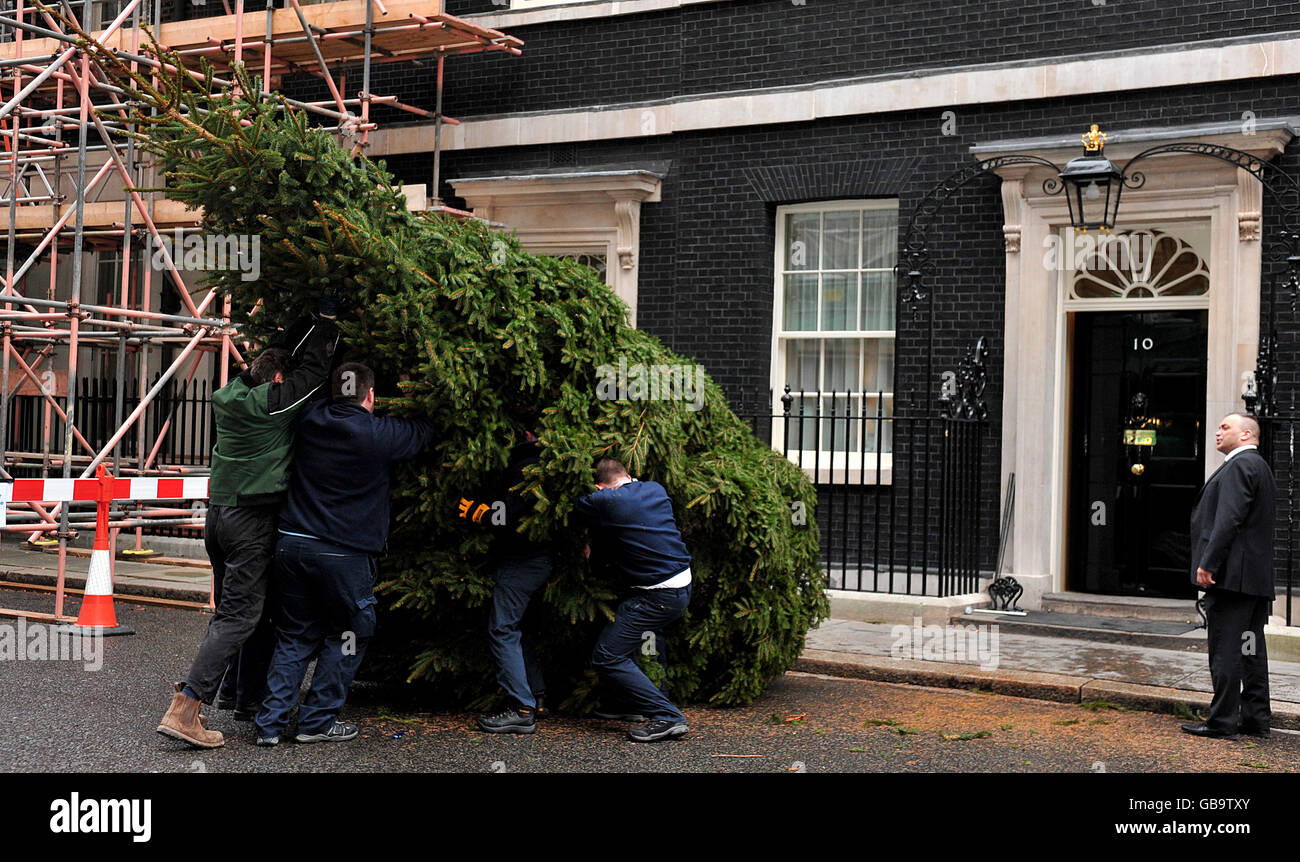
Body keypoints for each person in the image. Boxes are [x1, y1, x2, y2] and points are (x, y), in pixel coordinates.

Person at [157, 304, 338, 749]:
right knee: (239, 616)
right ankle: (186, 708)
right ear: (278, 381)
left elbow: (275, 354)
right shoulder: (272, 404)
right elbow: (313, 374)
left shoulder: (232, 393)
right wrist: (329, 326)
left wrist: (305, 319)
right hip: (250, 521)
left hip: (217, 517)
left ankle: (240, 695)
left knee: (233, 612)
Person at [254, 361, 434, 745]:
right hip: (344, 554)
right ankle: (316, 721)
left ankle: (269, 725)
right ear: (371, 396)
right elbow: (423, 432)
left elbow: (319, 390)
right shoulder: (379, 434)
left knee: (295, 635)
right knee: (349, 633)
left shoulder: (311, 417)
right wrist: (413, 393)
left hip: (292, 545)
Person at [572, 457, 692, 743]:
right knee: (649, 637)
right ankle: (632, 704)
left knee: (608, 655)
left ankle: (667, 716)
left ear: (601, 487)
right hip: (678, 583)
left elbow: (576, 505)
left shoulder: (608, 501)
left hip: (658, 595)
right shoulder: (655, 489)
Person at [1182, 413, 1276, 739]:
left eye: (1225, 427)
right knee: (1250, 650)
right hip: (1253, 580)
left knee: (1225, 649)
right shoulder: (1259, 466)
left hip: (1232, 579)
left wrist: (1208, 564)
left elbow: (1228, 520)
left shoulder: (1239, 466)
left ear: (1247, 433)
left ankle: (1221, 721)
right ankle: (1255, 718)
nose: (1217, 432)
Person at [460, 431, 554, 734]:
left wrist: (479, 513)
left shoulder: (525, 464)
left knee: (502, 629)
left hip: (521, 561)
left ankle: (521, 708)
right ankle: (536, 697)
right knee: (516, 628)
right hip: (540, 558)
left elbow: (511, 517)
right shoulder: (550, 461)